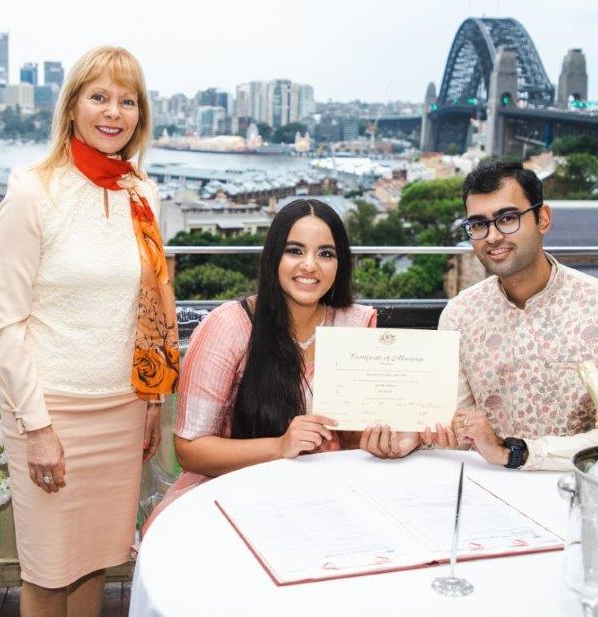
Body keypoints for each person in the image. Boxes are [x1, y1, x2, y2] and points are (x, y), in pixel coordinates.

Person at [0, 46, 178, 615]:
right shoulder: (33, 192)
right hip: (51, 413)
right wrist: (38, 428)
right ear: (72, 107)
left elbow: (151, 304)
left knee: (98, 560)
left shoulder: (143, 194)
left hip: (122, 409)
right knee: (49, 573)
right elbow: (5, 326)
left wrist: (151, 400)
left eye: (127, 100)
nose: (113, 112)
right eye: (99, 97)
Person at [142, 199, 416, 531]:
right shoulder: (229, 327)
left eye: (326, 253)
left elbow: (355, 435)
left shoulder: (355, 325)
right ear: (274, 256)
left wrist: (386, 437)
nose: (310, 266)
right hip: (236, 495)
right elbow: (190, 450)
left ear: (341, 263)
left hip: (330, 496)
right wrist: (280, 445)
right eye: (295, 251)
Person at [422, 161, 598, 470]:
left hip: (584, 488)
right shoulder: (459, 315)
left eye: (508, 218)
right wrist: (414, 436)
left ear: (542, 219)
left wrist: (515, 453)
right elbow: (460, 429)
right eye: (478, 224)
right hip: (486, 485)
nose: (492, 236)